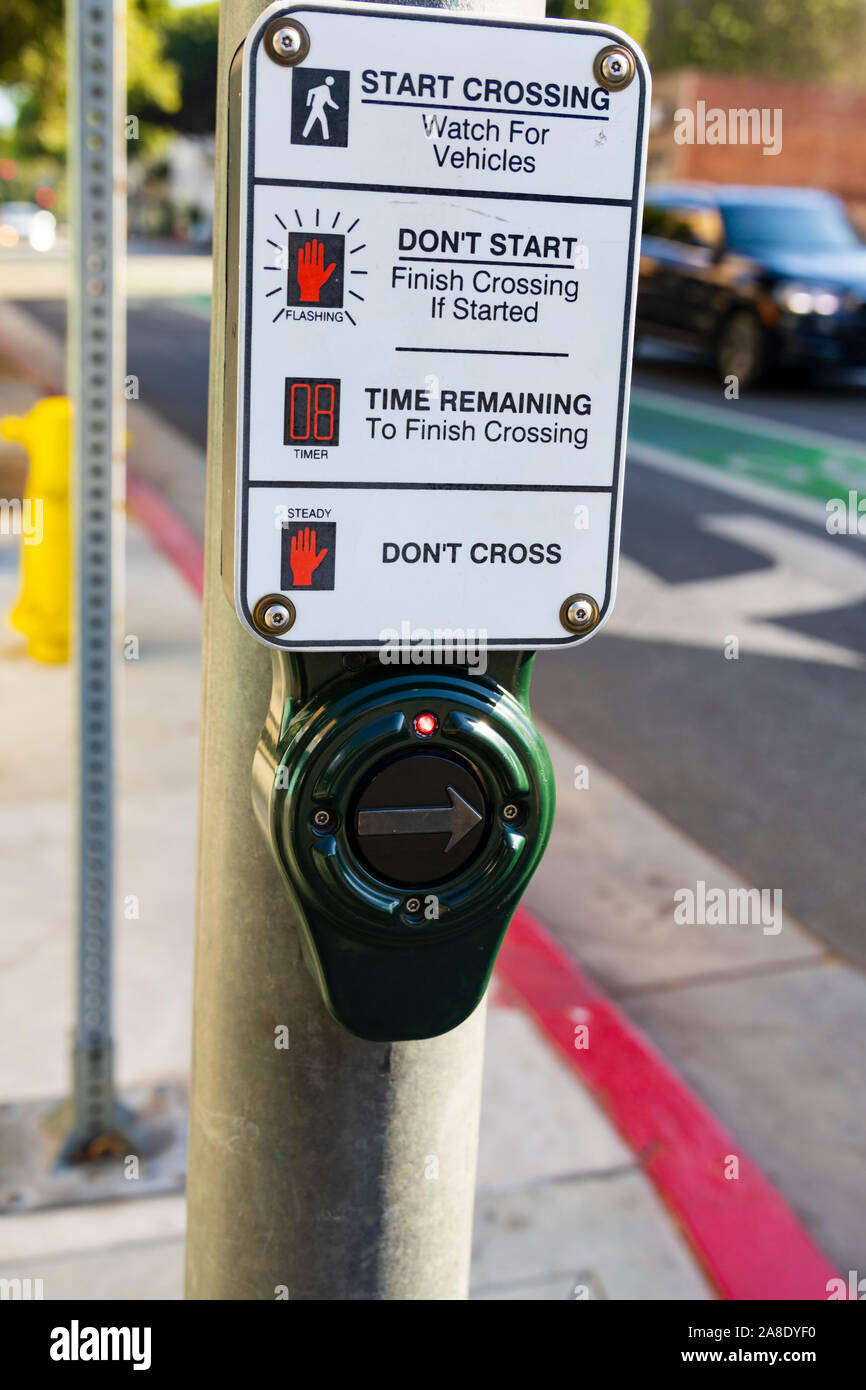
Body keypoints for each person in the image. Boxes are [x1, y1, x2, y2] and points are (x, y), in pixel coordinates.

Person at [303, 76, 339, 141]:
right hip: (317, 107)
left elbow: (329, 101)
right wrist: (308, 103)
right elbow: (310, 91)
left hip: (318, 107)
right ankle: (326, 138)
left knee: (312, 120)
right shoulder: (324, 88)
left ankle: (304, 135)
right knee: (323, 120)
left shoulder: (326, 89)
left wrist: (336, 107)